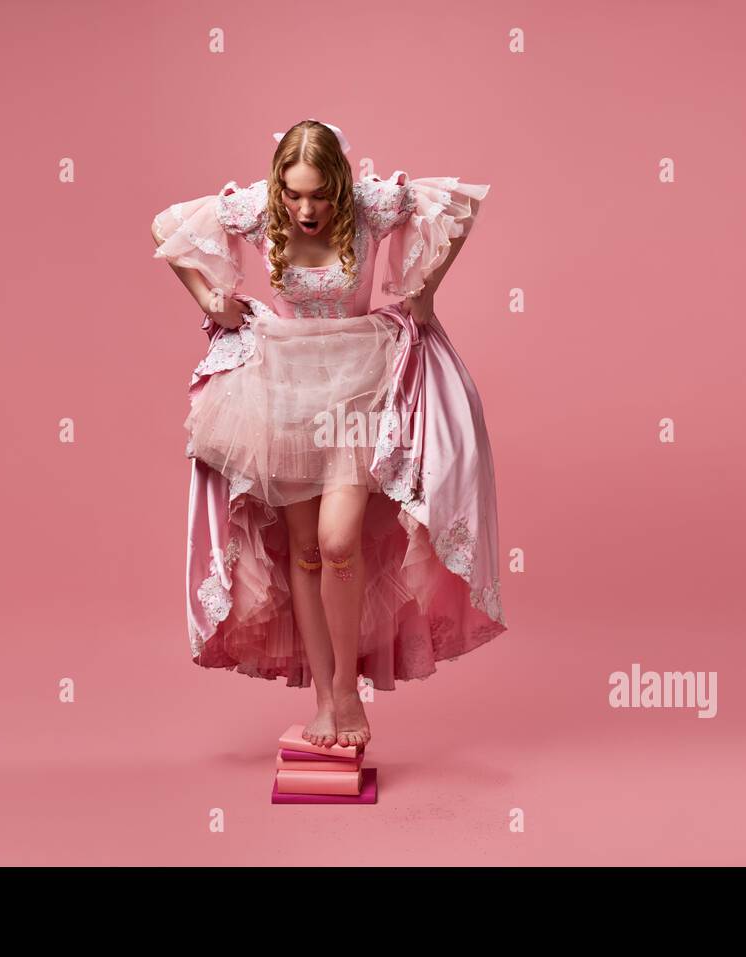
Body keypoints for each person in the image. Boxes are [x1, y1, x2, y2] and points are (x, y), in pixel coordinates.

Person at [152, 119, 507, 750]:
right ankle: (325, 700)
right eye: (294, 196)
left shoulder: (372, 204)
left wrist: (425, 292)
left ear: (341, 185)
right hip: (283, 392)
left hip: (358, 387)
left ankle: (350, 690)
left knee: (339, 541)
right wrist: (210, 301)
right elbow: (167, 228)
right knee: (305, 554)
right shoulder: (262, 210)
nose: (306, 209)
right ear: (279, 188)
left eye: (318, 194)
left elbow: (461, 207)